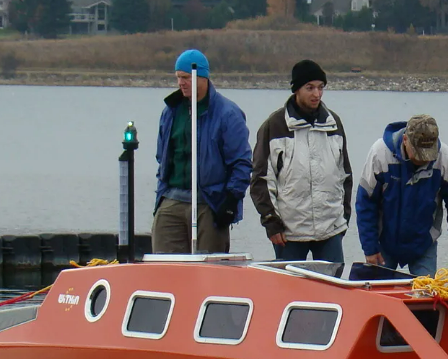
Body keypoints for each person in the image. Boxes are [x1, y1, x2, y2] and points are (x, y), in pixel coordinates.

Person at [250, 59, 352, 262]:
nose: (317, 94)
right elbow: (261, 179)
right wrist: (271, 221)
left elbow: (344, 175)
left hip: (330, 230)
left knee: (333, 292)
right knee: (287, 292)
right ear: (296, 90)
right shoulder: (274, 126)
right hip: (289, 233)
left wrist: (344, 217)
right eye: (310, 88)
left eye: (321, 88)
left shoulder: (334, 124)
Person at [151, 49, 252, 253]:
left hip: (210, 202)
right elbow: (162, 156)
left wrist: (231, 200)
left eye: (187, 77)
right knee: (164, 265)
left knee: (209, 272)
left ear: (202, 77)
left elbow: (241, 163)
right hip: (172, 198)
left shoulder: (228, 114)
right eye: (178, 77)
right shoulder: (170, 111)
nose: (181, 83)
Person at [356, 115, 448, 277]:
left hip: (423, 243)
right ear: (405, 139)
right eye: (418, 153)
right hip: (384, 242)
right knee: (378, 294)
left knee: (426, 295)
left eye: (428, 154)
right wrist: (370, 247)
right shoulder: (380, 153)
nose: (423, 159)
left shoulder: (446, 158)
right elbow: (365, 203)